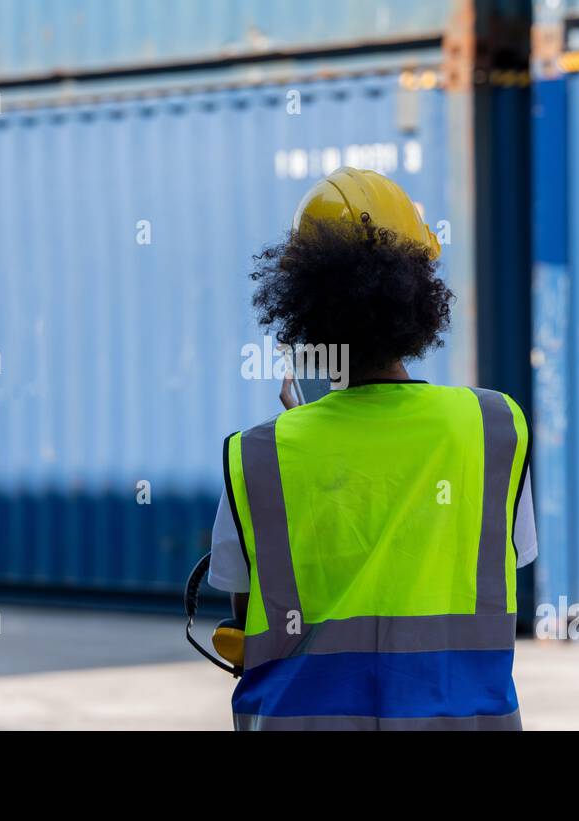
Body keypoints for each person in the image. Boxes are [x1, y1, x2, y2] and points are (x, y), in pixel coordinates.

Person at [209, 167, 536, 730]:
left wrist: (306, 434)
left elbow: (250, 621)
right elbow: (507, 567)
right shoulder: (493, 427)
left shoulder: (261, 455)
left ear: (300, 305)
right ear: (421, 292)